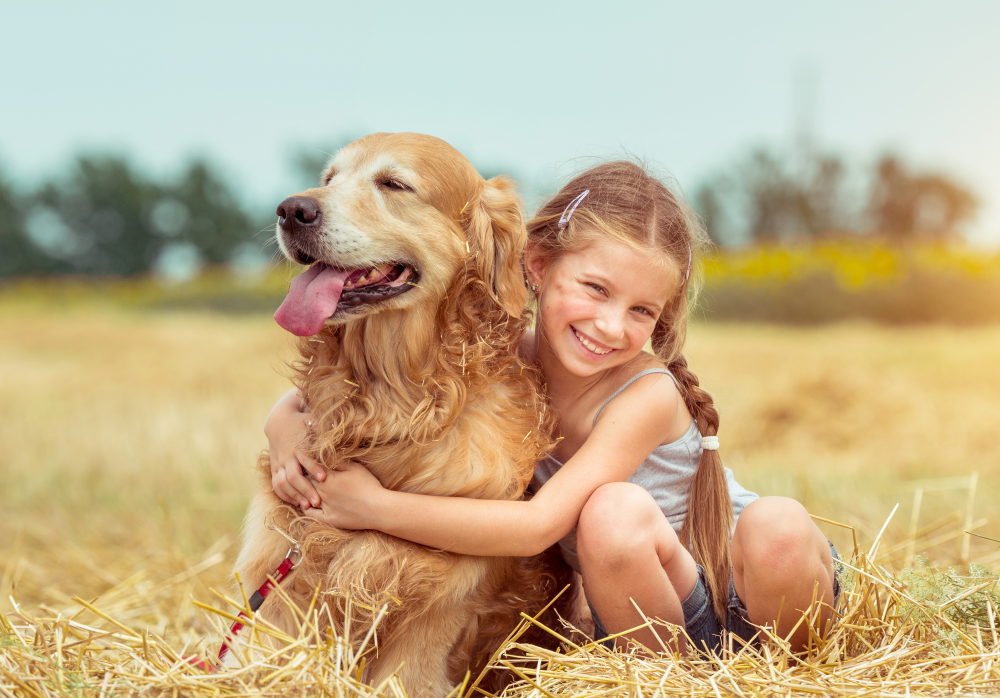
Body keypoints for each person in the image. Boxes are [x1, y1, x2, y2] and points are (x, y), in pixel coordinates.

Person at [263, 161, 840, 655]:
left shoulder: (647, 394)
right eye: (595, 289)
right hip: (658, 619)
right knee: (611, 520)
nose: (611, 326)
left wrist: (375, 507)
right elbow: (311, 400)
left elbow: (538, 528)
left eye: (642, 311)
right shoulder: (495, 361)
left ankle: (786, 696)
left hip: (752, 586)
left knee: (762, 522)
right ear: (537, 265)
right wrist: (284, 434)